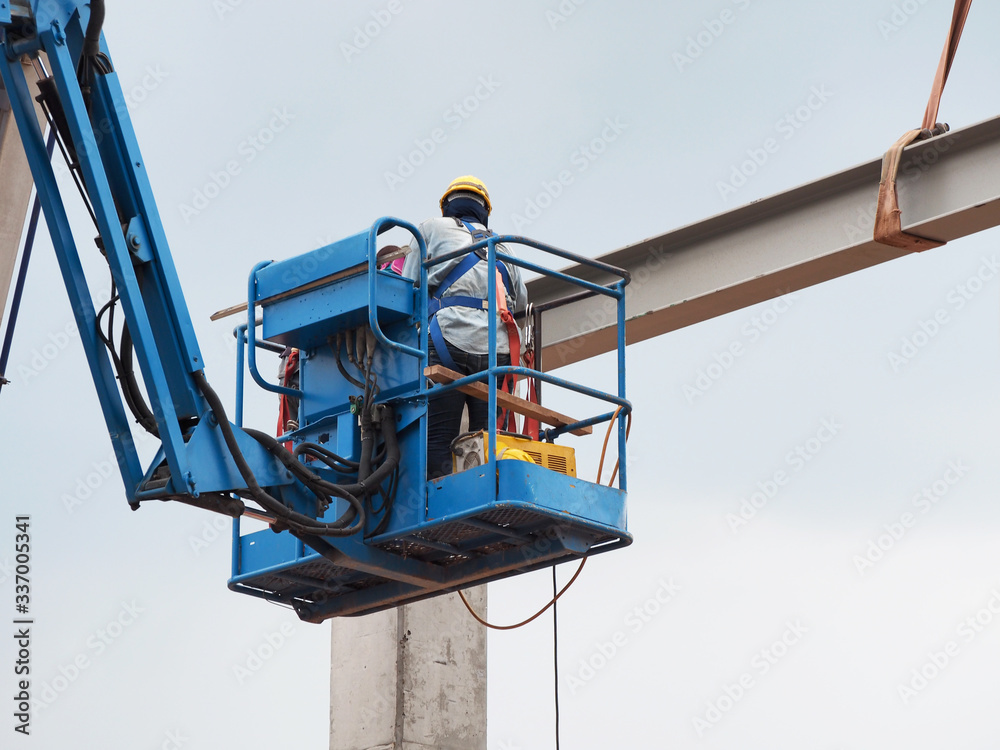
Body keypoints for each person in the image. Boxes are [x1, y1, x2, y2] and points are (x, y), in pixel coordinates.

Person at [401, 176, 527, 479]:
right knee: (486, 439)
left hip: (447, 343)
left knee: (439, 436)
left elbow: (405, 284)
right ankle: (484, 500)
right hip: (496, 353)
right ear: (485, 210)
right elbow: (521, 299)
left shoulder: (430, 228)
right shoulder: (503, 246)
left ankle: (434, 506)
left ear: (448, 207)